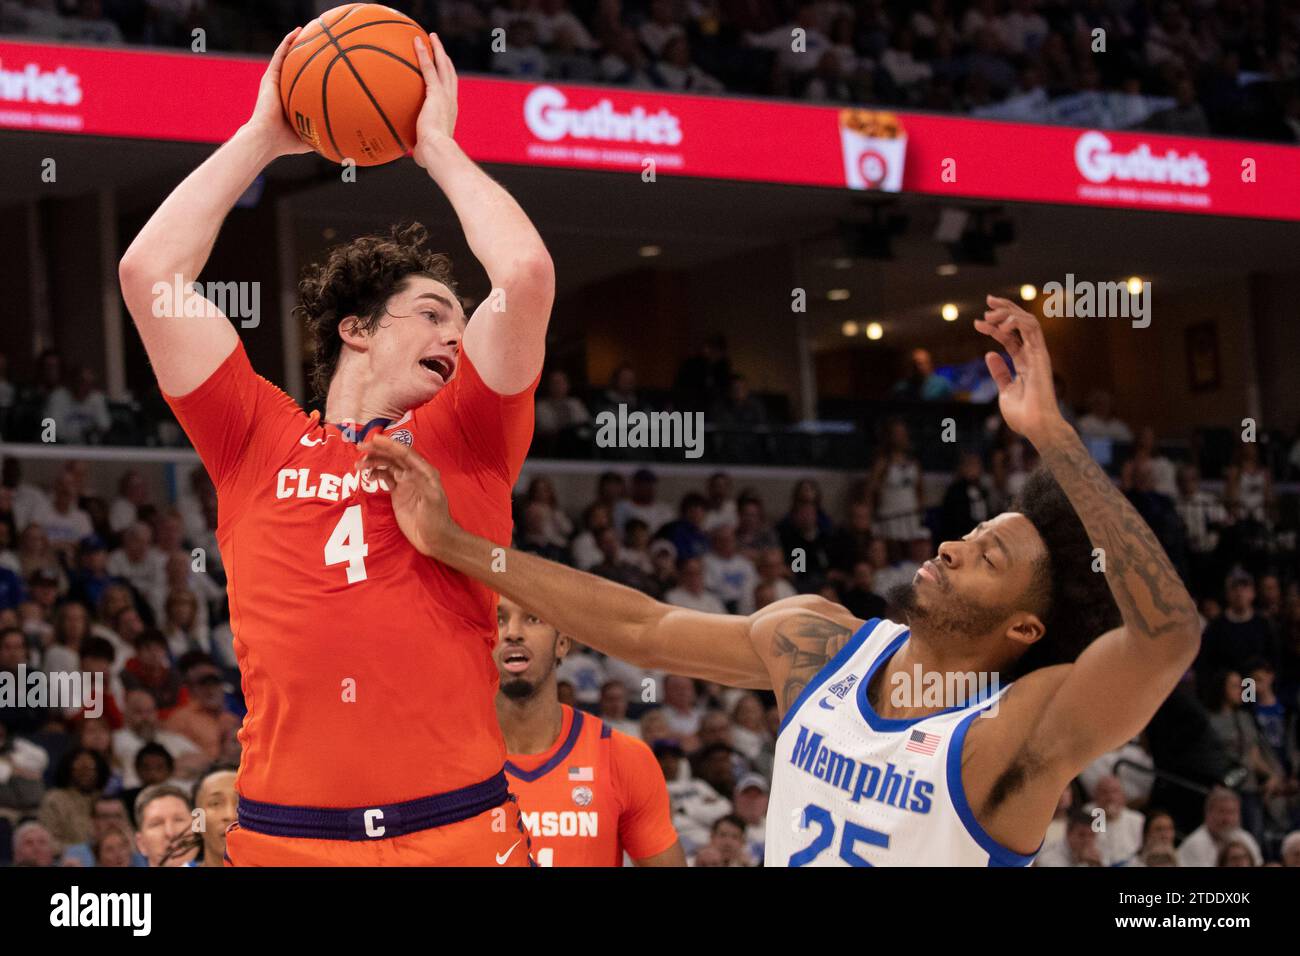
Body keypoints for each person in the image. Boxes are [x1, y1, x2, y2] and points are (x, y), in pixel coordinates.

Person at [360, 295, 1203, 866]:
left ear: (1022, 628)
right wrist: (455, 542)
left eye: (986, 558)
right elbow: (642, 628)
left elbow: (1170, 636)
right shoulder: (820, 642)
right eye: (970, 534)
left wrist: (1053, 436)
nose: (949, 546)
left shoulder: (1018, 730)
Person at [116, 31, 553, 865]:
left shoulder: (470, 432)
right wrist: (262, 135)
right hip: (288, 842)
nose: (457, 335)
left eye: (461, 321)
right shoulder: (254, 436)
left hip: (457, 832)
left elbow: (526, 276)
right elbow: (149, 275)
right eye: (431, 313)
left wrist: (440, 150)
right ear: (355, 329)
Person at [493, 595, 683, 866]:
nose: (513, 633)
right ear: (482, 638)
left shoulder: (622, 755)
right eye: (499, 619)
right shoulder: (448, 764)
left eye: (533, 618)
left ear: (562, 642)